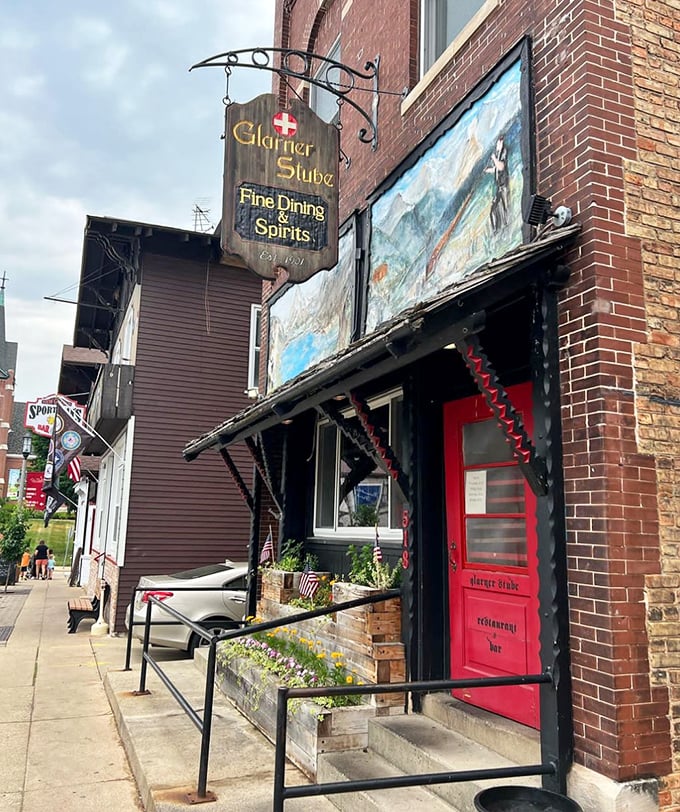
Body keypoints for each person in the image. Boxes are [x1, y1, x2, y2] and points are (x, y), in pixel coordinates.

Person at [486, 133, 509, 231]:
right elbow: (497, 169)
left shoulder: (503, 152)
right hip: (499, 188)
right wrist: (489, 170)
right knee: (493, 210)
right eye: (498, 142)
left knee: (505, 208)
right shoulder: (498, 154)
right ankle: (497, 229)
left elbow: (501, 167)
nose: (498, 144)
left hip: (504, 187)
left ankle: (506, 226)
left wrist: (494, 159)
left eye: (500, 141)